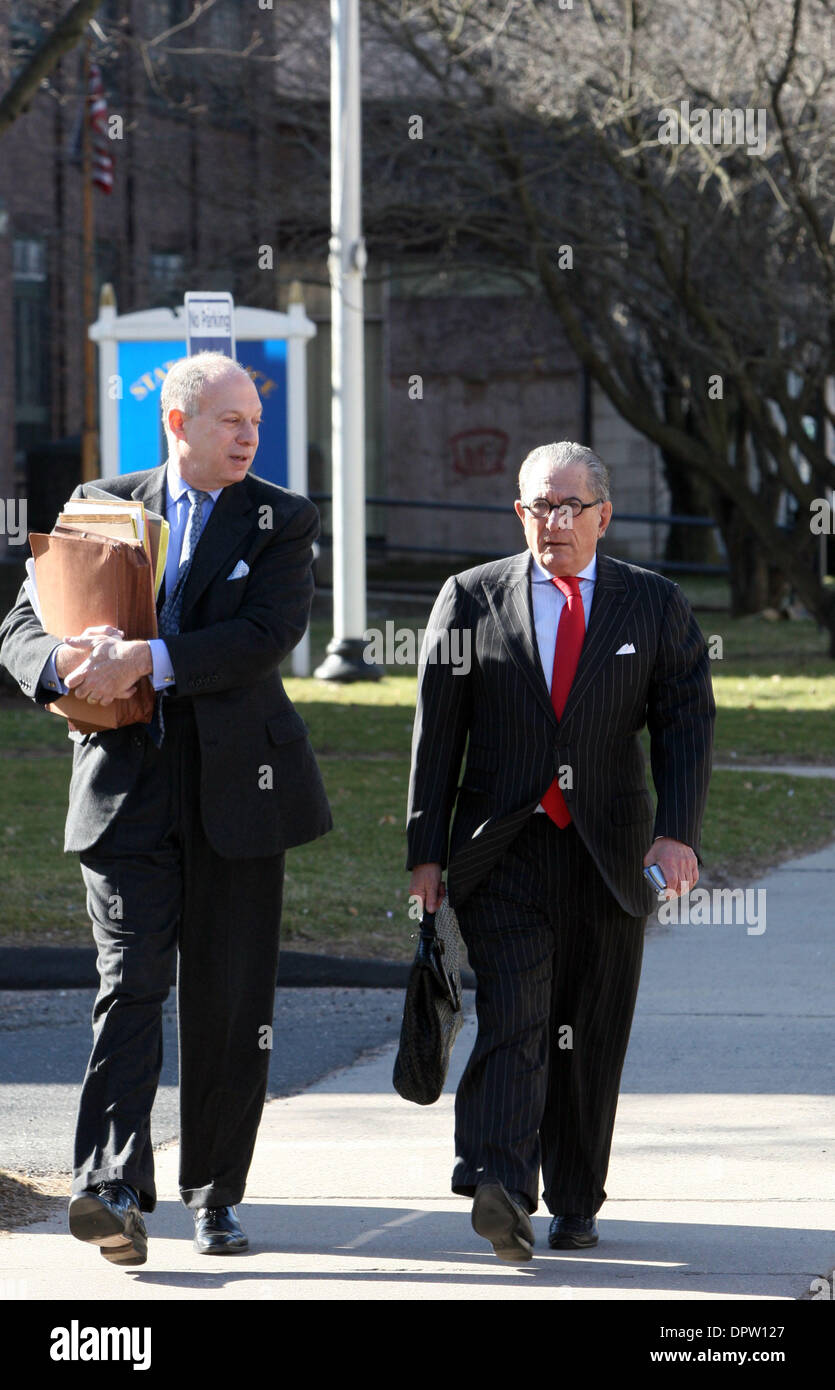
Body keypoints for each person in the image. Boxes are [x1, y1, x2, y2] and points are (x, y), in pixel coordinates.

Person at [0, 352, 332, 1264]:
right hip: (123, 792)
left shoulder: (279, 517)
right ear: (177, 425)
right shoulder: (98, 503)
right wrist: (67, 666)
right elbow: (23, 624)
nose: (249, 434)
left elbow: (263, 636)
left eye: (253, 421)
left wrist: (144, 658)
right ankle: (109, 1187)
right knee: (129, 984)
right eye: (230, 420)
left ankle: (215, 1195)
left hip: (241, 793)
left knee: (230, 1000)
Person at [406, 441, 714, 1263]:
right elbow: (437, 736)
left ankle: (576, 1199)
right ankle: (499, 1184)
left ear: (603, 517)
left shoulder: (651, 603)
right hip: (500, 851)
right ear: (519, 514)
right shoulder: (470, 599)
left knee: (590, 1029)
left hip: (608, 858)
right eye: (539, 506)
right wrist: (424, 855)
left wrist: (677, 832)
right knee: (515, 1014)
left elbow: (686, 721)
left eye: (570, 506)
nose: (555, 522)